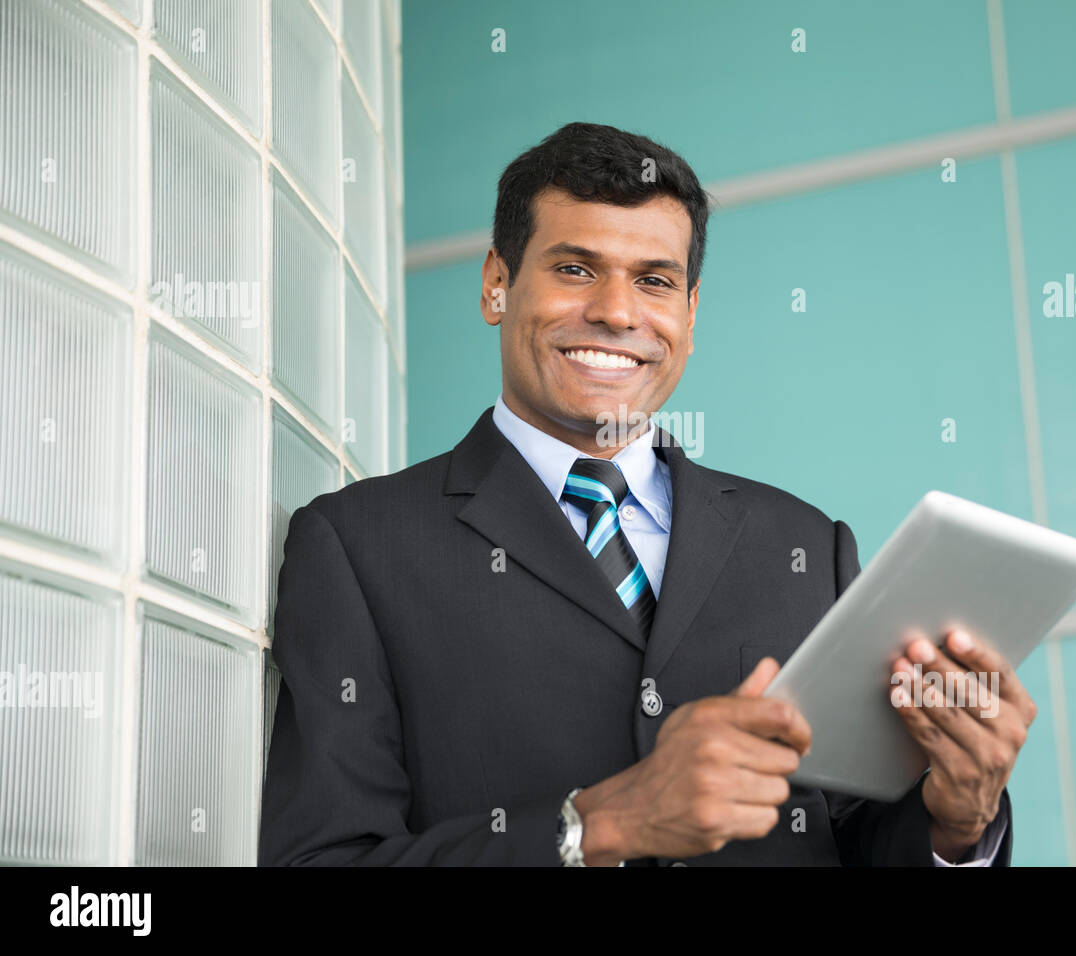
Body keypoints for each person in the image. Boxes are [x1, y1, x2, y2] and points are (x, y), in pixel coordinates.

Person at [258, 122, 1033, 867]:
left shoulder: (805, 545)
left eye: (654, 281)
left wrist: (956, 821)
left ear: (689, 316)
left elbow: (858, 837)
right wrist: (598, 825)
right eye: (574, 269)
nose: (617, 313)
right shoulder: (357, 546)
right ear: (498, 284)